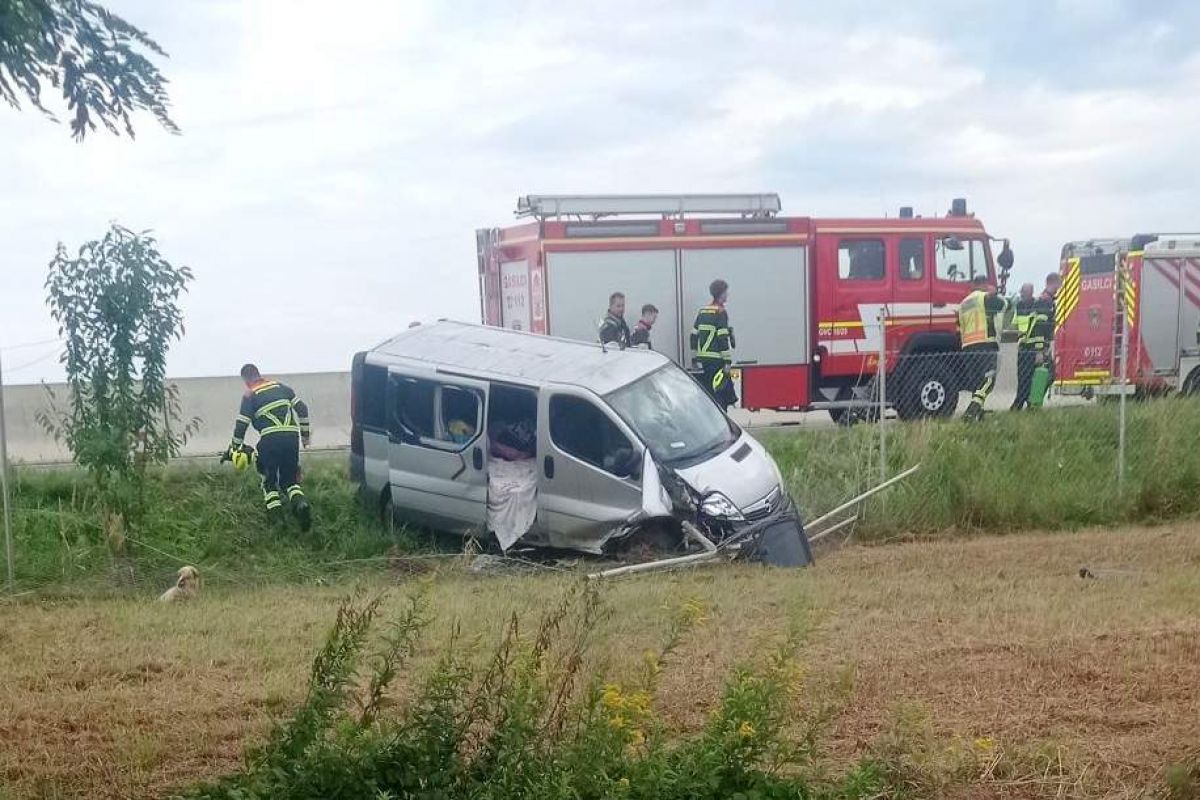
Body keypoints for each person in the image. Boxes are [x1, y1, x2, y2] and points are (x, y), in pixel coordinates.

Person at [227, 364, 312, 529]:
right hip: (291, 437)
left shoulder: (250, 395)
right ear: (259, 374)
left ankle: (277, 521)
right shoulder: (282, 387)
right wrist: (305, 436)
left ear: (246, 380)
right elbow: (302, 408)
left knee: (268, 481)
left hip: (270, 438)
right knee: (290, 480)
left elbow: (241, 424)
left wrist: (234, 448)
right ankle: (301, 504)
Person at [958, 275, 1008, 422]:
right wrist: (996, 294)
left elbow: (959, 325)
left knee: (976, 383)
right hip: (985, 343)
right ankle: (972, 410)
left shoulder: (963, 303)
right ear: (985, 285)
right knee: (988, 380)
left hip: (967, 346)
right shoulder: (984, 298)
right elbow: (1004, 306)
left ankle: (978, 414)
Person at [691, 279, 737, 411]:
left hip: (704, 361)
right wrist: (727, 362)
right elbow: (722, 338)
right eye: (726, 292)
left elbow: (693, 335)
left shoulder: (703, 311)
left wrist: (695, 358)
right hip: (717, 360)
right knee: (721, 396)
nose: (727, 295)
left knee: (710, 395)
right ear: (721, 294)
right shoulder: (720, 313)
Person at [1009, 283, 1038, 411]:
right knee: (1021, 375)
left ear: (1030, 292)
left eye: (1023, 291)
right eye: (1021, 291)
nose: (1021, 293)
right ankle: (1021, 400)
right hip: (1022, 346)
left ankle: (1027, 402)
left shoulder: (1036, 305)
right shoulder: (1019, 305)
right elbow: (1015, 324)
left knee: (1031, 376)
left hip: (1033, 346)